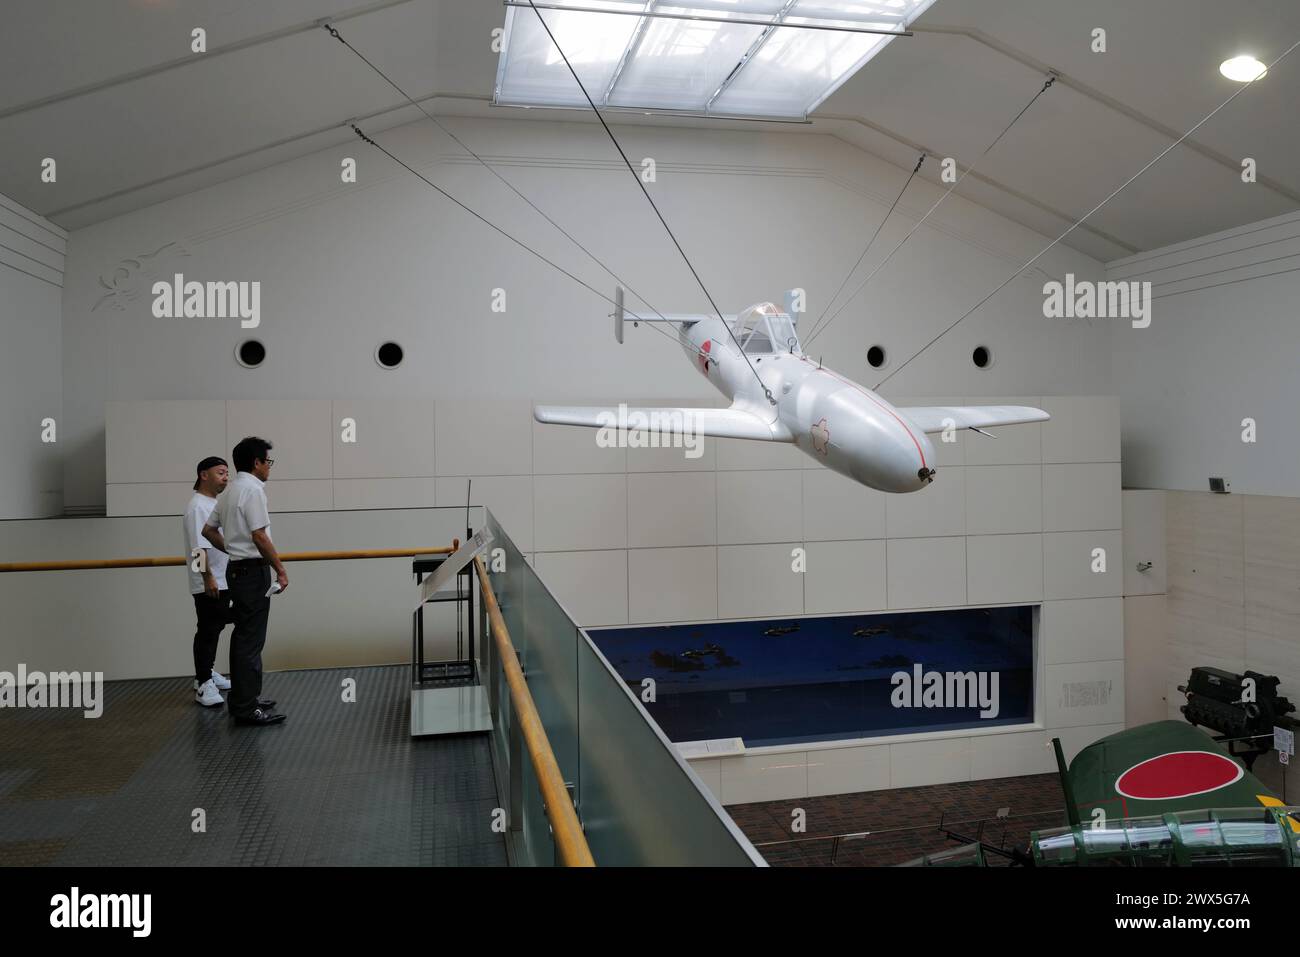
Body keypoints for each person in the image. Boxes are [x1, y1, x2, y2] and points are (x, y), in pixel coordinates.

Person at [202, 436, 288, 726]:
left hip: (237, 571)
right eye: (268, 462)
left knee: (244, 637)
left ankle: (246, 698)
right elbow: (260, 535)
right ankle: (245, 707)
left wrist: (231, 549)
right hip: (252, 573)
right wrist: (281, 569)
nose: (269, 468)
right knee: (250, 641)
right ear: (256, 463)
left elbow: (209, 529)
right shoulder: (252, 490)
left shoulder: (228, 492)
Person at [184, 456, 233, 707]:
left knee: (215, 628)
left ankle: (207, 671)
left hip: (222, 578)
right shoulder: (197, 506)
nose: (226, 477)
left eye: (227, 473)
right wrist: (208, 578)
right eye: (220, 472)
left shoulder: (213, 503)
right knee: (208, 630)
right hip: (209, 581)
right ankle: (203, 683)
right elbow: (197, 547)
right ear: (204, 475)